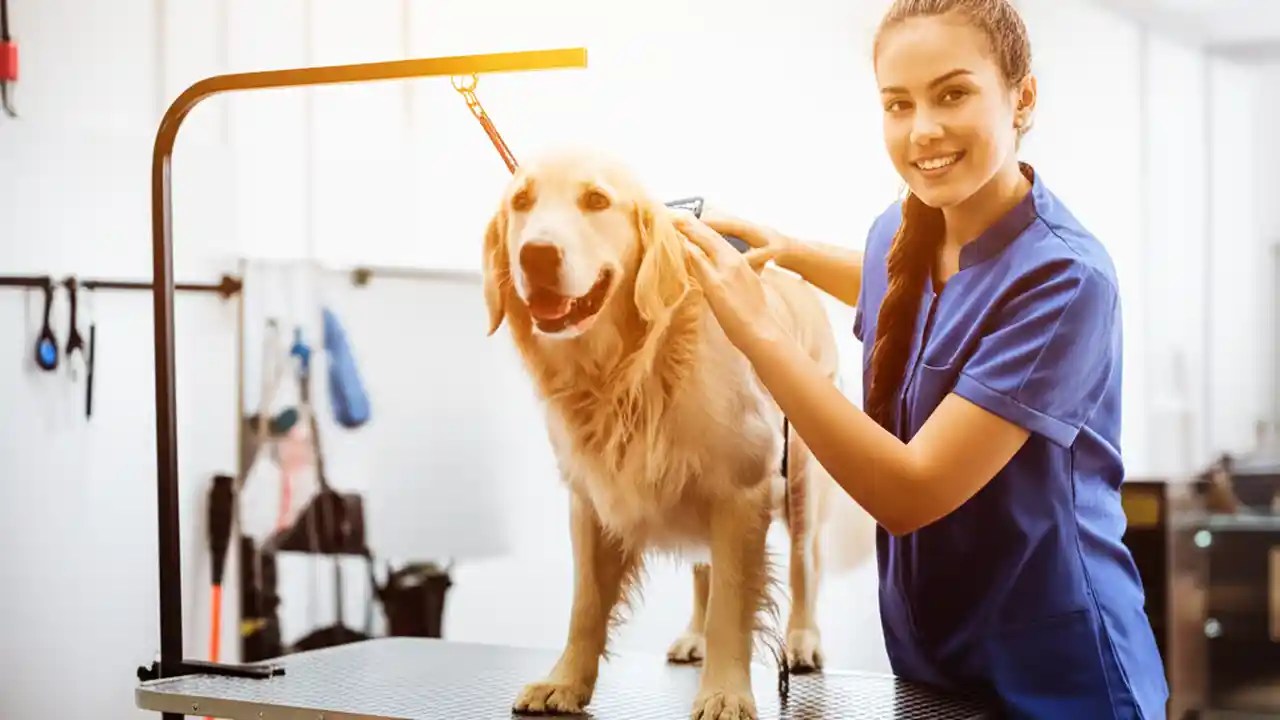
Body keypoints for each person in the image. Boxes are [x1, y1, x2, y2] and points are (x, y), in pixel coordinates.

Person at [672, 0, 1171, 718]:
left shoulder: (1065, 282)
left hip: (1062, 680)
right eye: (896, 104)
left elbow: (909, 495)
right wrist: (795, 252)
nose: (923, 130)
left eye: (953, 93)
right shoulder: (905, 229)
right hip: (932, 663)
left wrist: (761, 336)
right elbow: (915, 294)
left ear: (1022, 96)